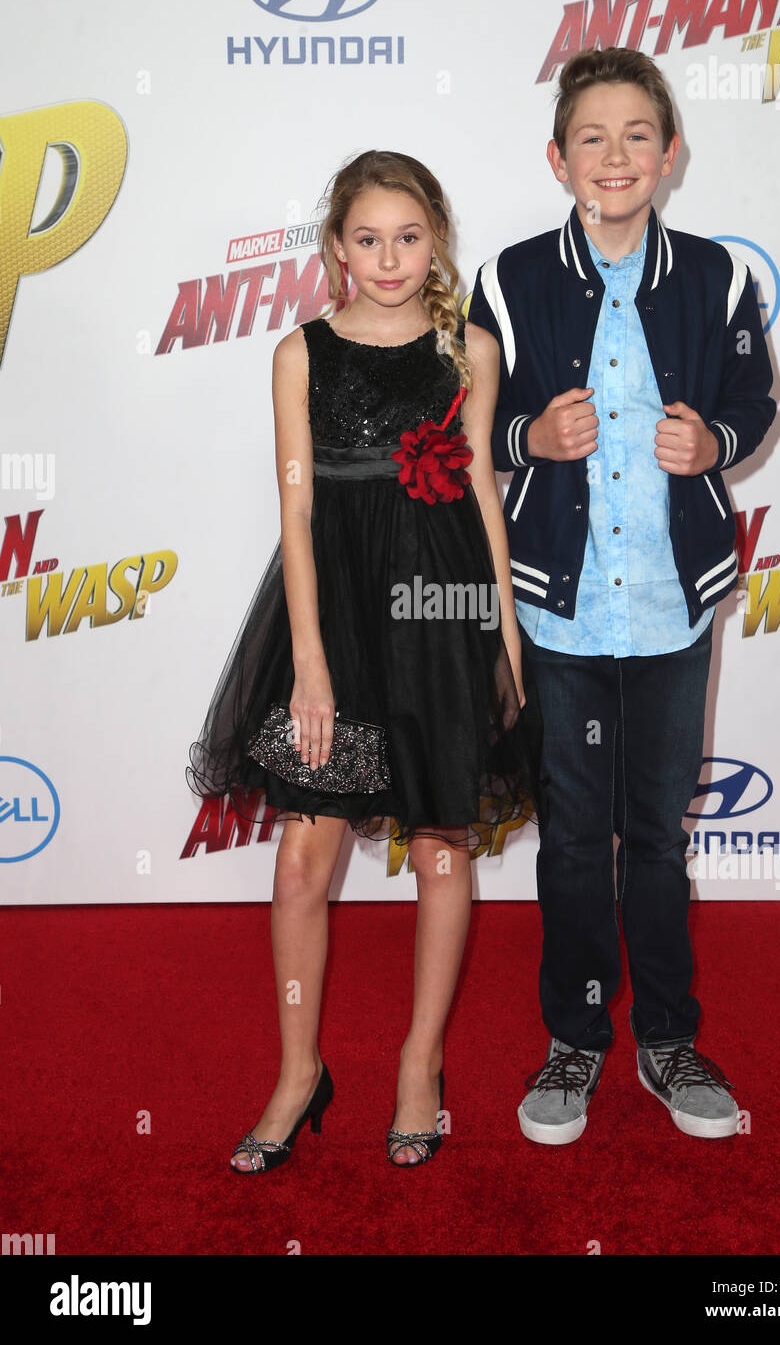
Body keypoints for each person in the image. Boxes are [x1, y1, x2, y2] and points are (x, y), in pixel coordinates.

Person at [187, 149, 537, 1171]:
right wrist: (307, 661)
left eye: (409, 237)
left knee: (440, 847)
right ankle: (300, 1071)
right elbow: (295, 508)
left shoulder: (467, 350)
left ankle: (419, 1064)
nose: (388, 258)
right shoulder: (300, 354)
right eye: (367, 239)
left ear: (436, 239)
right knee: (303, 859)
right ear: (335, 246)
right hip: (334, 614)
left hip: (441, 610)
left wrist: (502, 634)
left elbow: (478, 496)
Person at [467, 47, 776, 1144]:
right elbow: (470, 423)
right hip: (557, 605)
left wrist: (717, 441)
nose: (613, 155)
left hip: (670, 601)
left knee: (655, 834)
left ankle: (667, 1039)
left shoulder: (715, 276)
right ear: (556, 158)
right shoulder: (507, 276)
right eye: (589, 137)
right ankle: (575, 1040)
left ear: (669, 150)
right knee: (567, 839)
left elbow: (753, 394)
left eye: (635, 134)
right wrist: (528, 437)